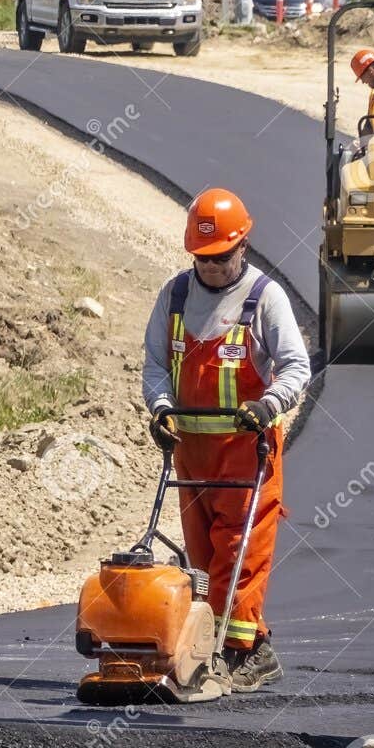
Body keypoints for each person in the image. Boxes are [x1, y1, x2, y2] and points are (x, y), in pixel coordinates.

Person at [141, 187, 310, 692]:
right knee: (199, 558)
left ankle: (241, 652)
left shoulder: (265, 298)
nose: (211, 267)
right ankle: (212, 645)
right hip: (192, 458)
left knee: (239, 552)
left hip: (246, 455)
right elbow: (154, 365)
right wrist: (161, 409)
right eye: (202, 258)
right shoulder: (174, 296)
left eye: (220, 257)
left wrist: (269, 405)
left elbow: (297, 367)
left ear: (242, 247)